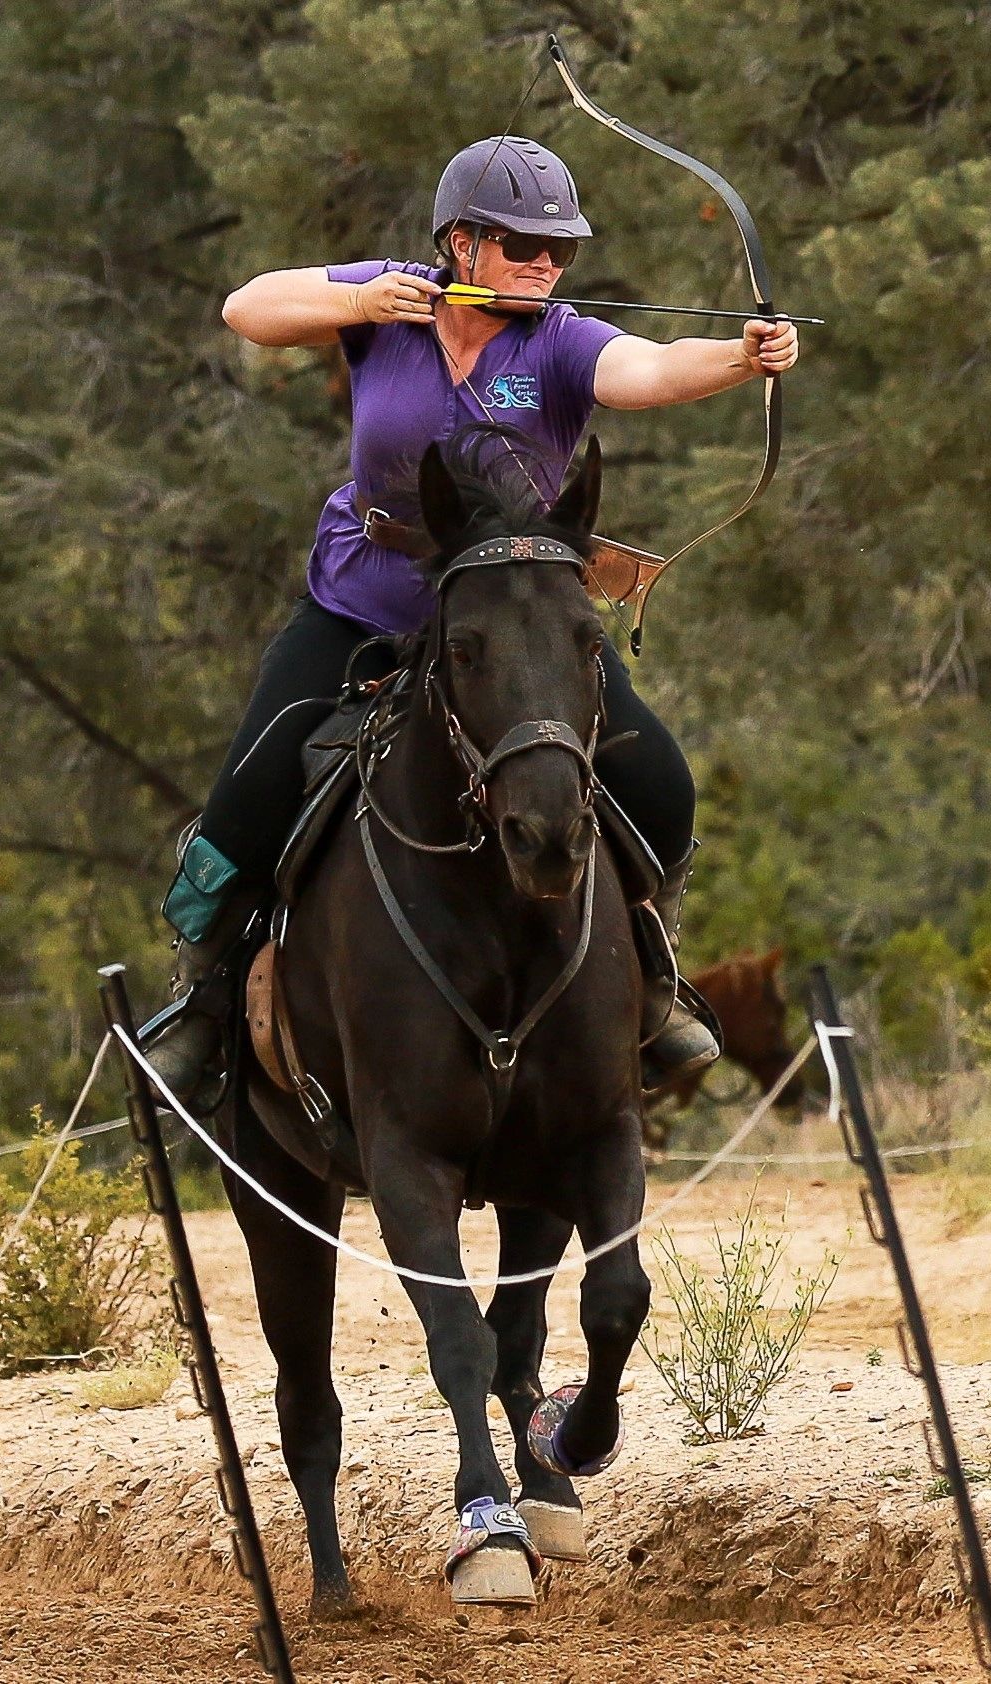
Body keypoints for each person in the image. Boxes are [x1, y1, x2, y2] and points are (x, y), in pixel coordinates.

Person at [147, 133, 799, 1102]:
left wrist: (744, 360)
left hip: (514, 619)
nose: (546, 264)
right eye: (524, 245)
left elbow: (650, 368)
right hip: (363, 597)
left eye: (559, 250)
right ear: (461, 243)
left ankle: (653, 986)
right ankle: (204, 1004)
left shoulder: (562, 340)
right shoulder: (391, 301)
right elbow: (249, 307)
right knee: (249, 792)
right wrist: (357, 302)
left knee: (658, 785)